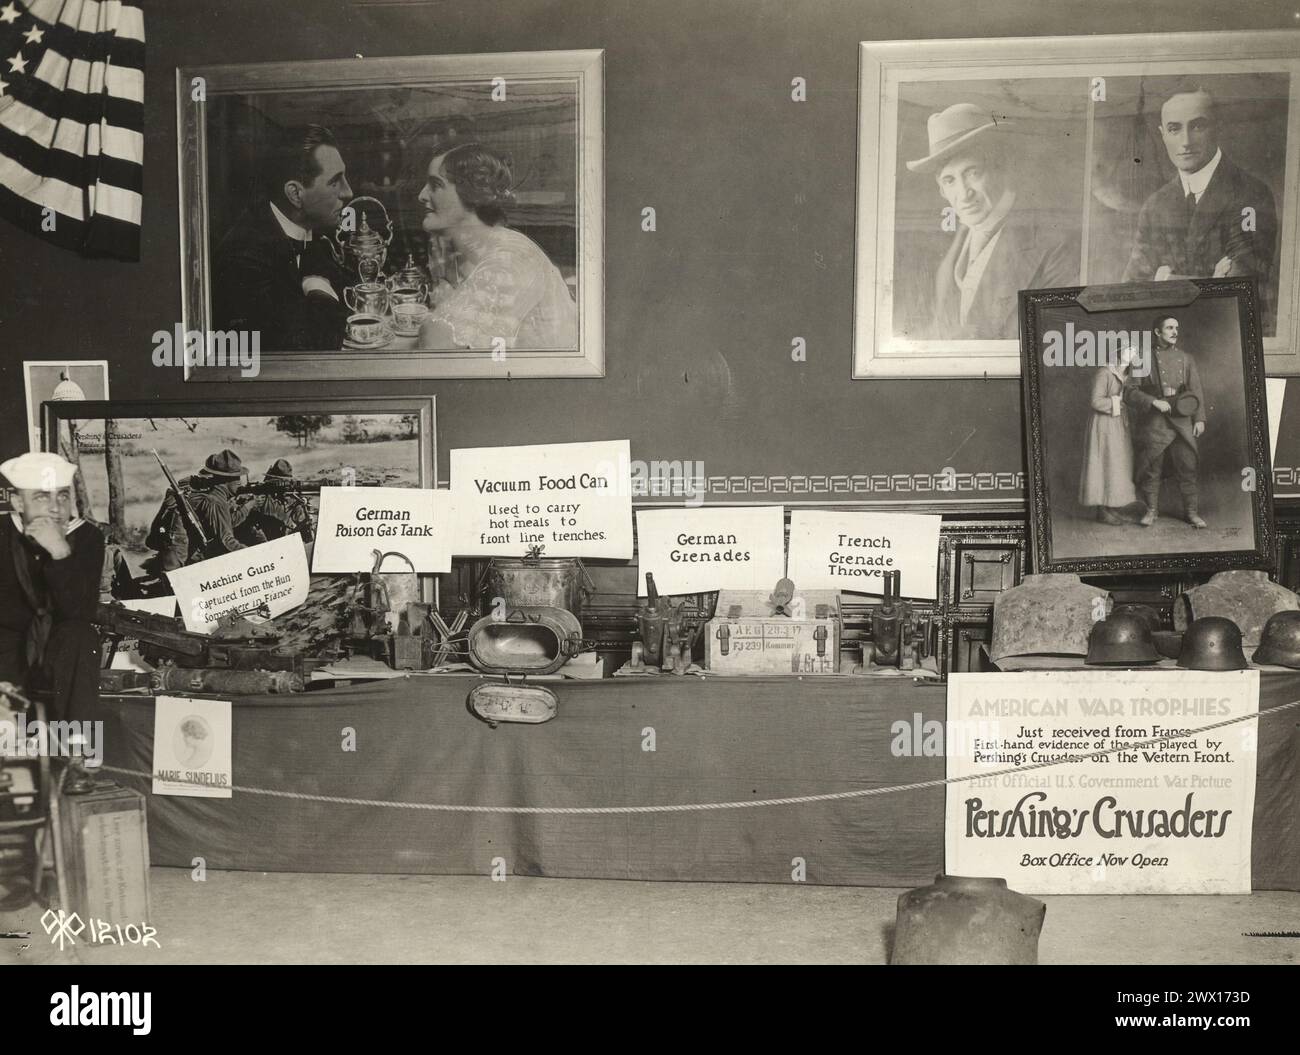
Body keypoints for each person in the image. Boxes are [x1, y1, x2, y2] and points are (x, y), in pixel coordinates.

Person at [906, 103, 1078, 340]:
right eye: (950, 180)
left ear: (1001, 167)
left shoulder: (1053, 242)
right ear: (941, 189)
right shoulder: (954, 242)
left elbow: (1057, 340)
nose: (963, 194)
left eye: (973, 173)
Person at [1122, 84, 1278, 329]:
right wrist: (1211, 281)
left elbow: (1239, 293)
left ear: (1218, 128)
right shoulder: (1155, 206)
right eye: (1174, 129)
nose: (1185, 141)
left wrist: (1164, 281)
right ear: (1162, 134)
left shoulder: (1250, 194)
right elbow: (1130, 295)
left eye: (1197, 126)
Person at [414, 142, 578, 350]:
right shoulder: (446, 246)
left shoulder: (512, 259)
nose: (422, 195)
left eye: (435, 185)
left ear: (471, 193)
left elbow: (438, 341)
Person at [212, 124, 354, 351]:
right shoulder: (241, 260)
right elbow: (315, 347)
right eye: (335, 182)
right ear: (295, 194)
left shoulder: (309, 227)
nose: (348, 192)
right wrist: (318, 286)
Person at [0, 452, 103, 727]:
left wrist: (60, 552)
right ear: (18, 502)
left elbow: (80, 613)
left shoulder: (87, 537)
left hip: (59, 650)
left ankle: (78, 743)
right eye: (42, 498)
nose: (56, 508)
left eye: (63, 496)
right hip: (7, 647)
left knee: (82, 636)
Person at [1124, 315, 1208, 528]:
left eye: (1176, 328)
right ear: (1157, 332)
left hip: (1182, 419)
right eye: (1169, 328)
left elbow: (1196, 390)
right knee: (1152, 468)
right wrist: (1153, 402)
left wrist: (1199, 419)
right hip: (1155, 421)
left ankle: (1191, 513)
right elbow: (1129, 392)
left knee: (1187, 466)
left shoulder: (1186, 358)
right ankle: (1151, 511)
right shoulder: (1142, 358)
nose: (1175, 332)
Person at [146, 449, 248, 571]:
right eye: (236, 478)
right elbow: (227, 541)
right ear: (225, 480)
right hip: (178, 550)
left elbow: (223, 523)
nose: (239, 482)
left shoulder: (204, 490)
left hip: (179, 545)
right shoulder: (215, 501)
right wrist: (253, 555)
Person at [1078, 344, 1139, 525]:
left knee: (1117, 465)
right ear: (1118, 353)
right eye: (1129, 350)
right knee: (1103, 463)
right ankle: (1101, 510)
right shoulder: (1104, 372)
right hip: (1103, 425)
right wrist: (1118, 402)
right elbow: (1095, 401)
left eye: (1134, 351)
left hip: (1119, 424)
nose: (1133, 353)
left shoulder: (1128, 375)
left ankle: (1111, 507)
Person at [233, 458, 314, 547]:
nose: (283, 485)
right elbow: (247, 525)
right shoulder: (261, 498)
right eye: (280, 482)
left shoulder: (293, 500)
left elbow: (305, 532)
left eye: (286, 482)